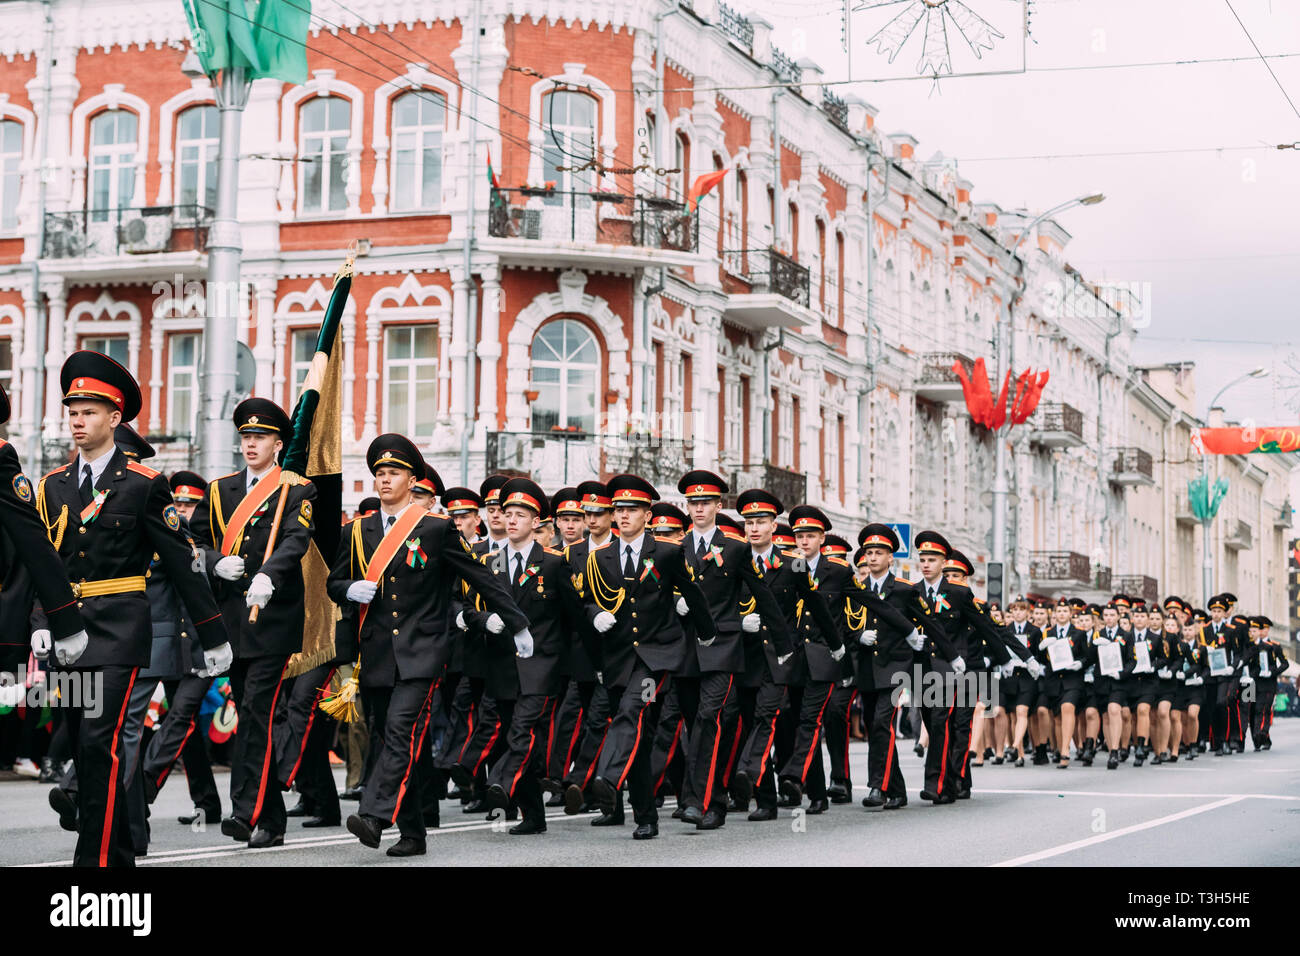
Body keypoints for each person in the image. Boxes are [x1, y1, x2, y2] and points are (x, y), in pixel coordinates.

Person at [34, 350, 227, 867]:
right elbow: (43, 565)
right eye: (72, 410)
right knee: (81, 744)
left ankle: (93, 863)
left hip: (118, 633)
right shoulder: (52, 486)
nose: (77, 420)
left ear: (115, 419)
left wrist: (214, 635)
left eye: (89, 411)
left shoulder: (142, 484)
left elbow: (182, 561)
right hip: (67, 639)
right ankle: (120, 852)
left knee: (100, 744)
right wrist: (39, 624)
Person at [334, 437, 530, 856]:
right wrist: (351, 588)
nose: (386, 480)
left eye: (394, 474)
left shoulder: (436, 529)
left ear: (412, 480)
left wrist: (516, 623)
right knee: (393, 739)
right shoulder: (356, 530)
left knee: (400, 734)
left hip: (423, 653)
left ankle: (373, 815)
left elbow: (480, 576)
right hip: (376, 656)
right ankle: (414, 832)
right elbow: (333, 582)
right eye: (380, 474)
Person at [189, 397, 317, 849]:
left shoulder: (295, 489)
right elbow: (195, 542)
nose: (250, 444)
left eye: (259, 437)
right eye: (245, 437)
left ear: (278, 444)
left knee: (258, 713)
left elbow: (295, 539)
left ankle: (244, 811)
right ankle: (274, 820)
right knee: (250, 712)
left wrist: (269, 574)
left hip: (273, 620)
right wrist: (214, 561)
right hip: (230, 620)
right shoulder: (221, 489)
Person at [583, 474, 714, 840]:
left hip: (657, 655)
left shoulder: (668, 552)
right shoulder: (599, 556)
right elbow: (587, 600)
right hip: (617, 655)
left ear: (647, 514)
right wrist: (595, 614)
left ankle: (607, 777)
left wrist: (707, 634)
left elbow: (693, 592)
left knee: (631, 711)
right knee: (635, 735)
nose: (623, 516)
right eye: (618, 510)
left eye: (631, 510)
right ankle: (645, 815)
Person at [465, 478, 583, 834]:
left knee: (523, 731)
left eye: (521, 515)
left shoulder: (553, 562)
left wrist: (576, 665)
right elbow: (470, 610)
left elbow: (574, 614)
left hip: (542, 665)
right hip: (502, 665)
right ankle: (534, 815)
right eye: (507, 513)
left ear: (537, 522)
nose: (511, 519)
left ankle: (499, 782)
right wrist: (486, 620)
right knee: (516, 734)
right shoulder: (490, 561)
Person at [141, 471, 223, 826]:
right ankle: (207, 803)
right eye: (178, 503)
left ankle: (142, 790)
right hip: (175, 647)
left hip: (207, 646)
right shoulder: (161, 537)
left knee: (179, 719)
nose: (183, 510)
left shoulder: (210, 539)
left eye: (190, 504)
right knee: (184, 728)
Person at [850, 523, 944, 811]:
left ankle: (877, 786)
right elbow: (844, 624)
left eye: (879, 553)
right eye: (869, 553)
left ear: (891, 558)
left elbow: (927, 623)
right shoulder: (856, 590)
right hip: (867, 667)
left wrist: (943, 655)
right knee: (872, 726)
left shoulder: (903, 590)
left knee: (882, 723)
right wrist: (856, 636)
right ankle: (898, 790)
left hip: (896, 666)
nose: (873, 558)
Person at [1241, 616, 1287, 751]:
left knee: (1263, 709)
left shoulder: (1273, 646)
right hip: (1249, 683)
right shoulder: (1248, 646)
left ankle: (1260, 735)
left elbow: (1284, 664)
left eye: (1262, 629)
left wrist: (1272, 672)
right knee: (1249, 710)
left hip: (1267, 683)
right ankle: (1253, 738)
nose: (1260, 632)